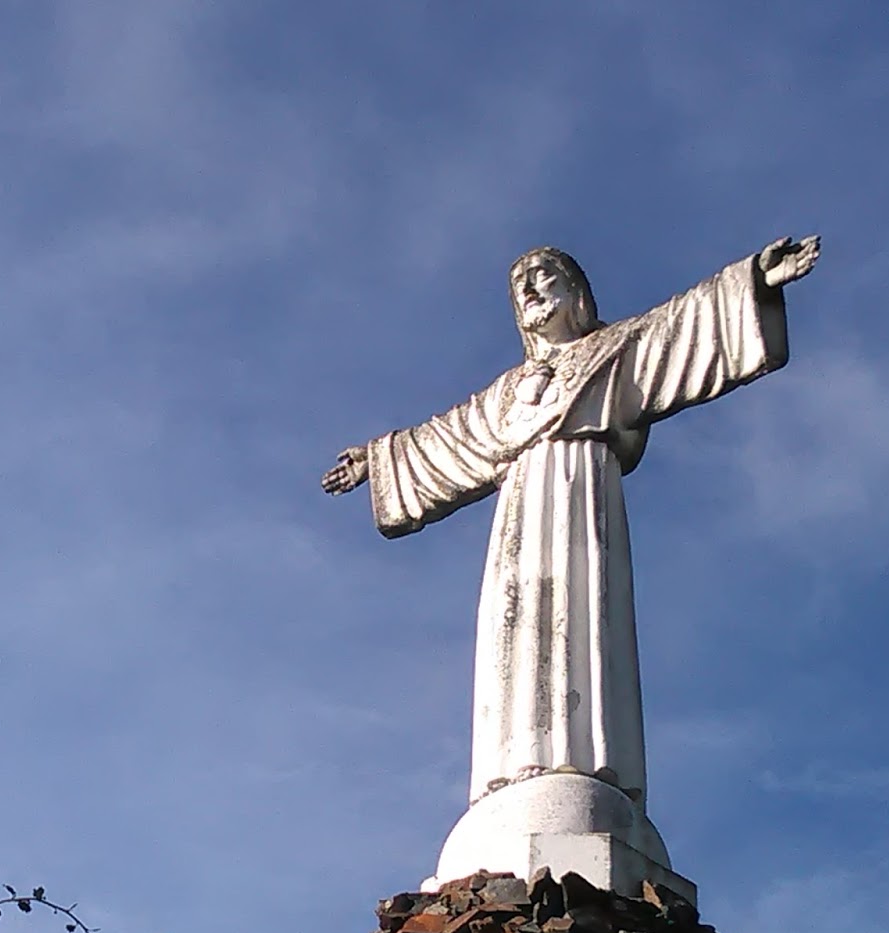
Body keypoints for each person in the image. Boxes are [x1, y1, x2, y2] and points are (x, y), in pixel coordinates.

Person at [322, 236, 820, 809]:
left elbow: (683, 326)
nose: (531, 288)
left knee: (581, 608)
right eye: (520, 285)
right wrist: (382, 458)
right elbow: (452, 435)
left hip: (581, 491)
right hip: (518, 512)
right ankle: (508, 774)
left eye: (543, 275)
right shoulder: (506, 395)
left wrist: (753, 282)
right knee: (515, 624)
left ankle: (587, 770)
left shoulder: (615, 350)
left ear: (576, 292)